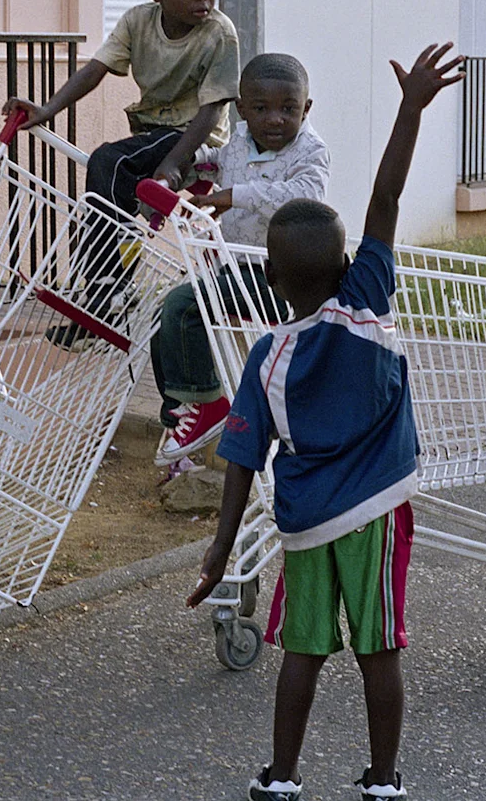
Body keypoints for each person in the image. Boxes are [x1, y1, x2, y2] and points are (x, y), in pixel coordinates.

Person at [186, 43, 466, 801]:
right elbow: (386, 199)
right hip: (375, 513)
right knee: (380, 652)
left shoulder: (267, 356)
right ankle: (383, 781)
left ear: (273, 281)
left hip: (307, 523)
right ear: (346, 264)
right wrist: (410, 109)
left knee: (302, 654)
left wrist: (220, 549)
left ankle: (282, 777)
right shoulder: (365, 300)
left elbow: (243, 458)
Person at [2, 0, 239, 350]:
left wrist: (175, 162)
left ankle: (105, 291)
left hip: (196, 140)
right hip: (152, 133)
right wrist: (47, 110)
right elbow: (95, 69)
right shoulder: (137, 22)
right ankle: (107, 291)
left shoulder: (219, 33)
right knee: (113, 187)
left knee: (108, 161)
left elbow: (212, 111)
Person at [151, 51, 329, 467]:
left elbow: (304, 196)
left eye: (288, 109)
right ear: (242, 109)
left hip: (284, 280)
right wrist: (183, 165)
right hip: (237, 269)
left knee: (184, 305)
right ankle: (183, 415)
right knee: (164, 322)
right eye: (261, 109)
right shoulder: (241, 141)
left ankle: (209, 405)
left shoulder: (311, 151)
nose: (275, 120)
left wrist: (232, 196)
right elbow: (219, 161)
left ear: (306, 108)